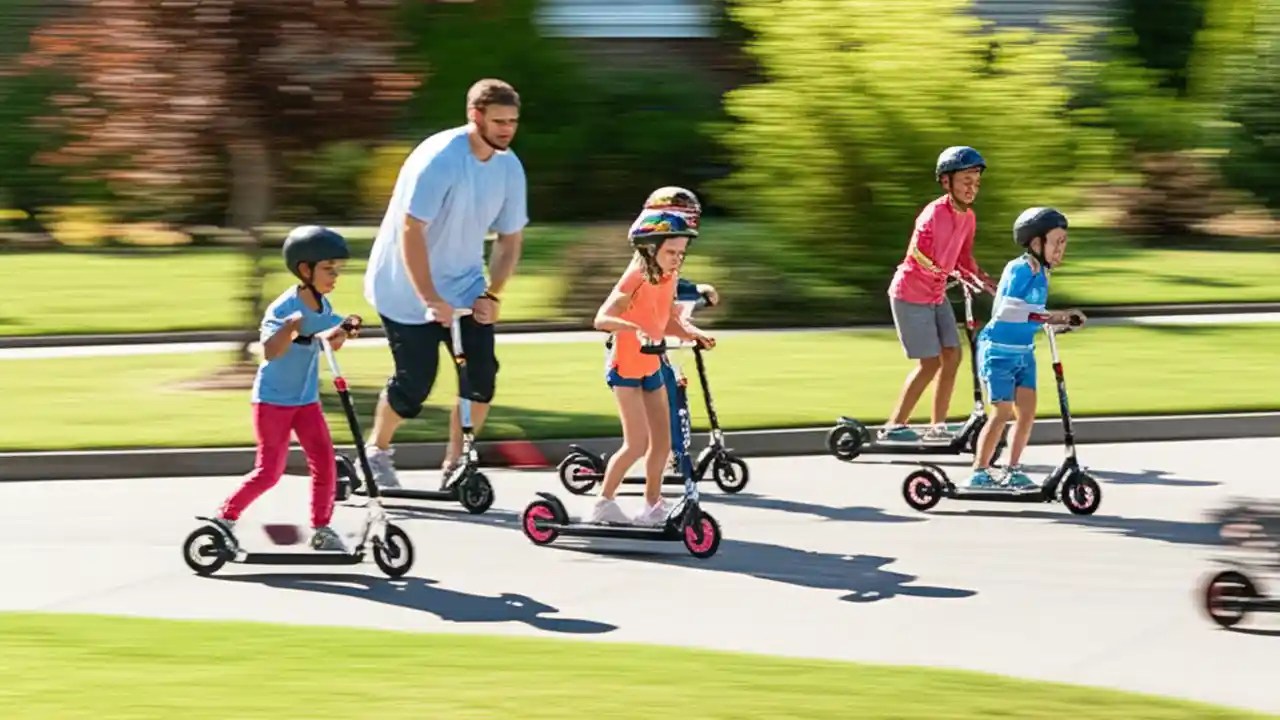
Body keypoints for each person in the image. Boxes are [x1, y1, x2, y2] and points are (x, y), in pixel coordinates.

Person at [362, 78, 528, 489]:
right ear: (475, 116)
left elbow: (510, 239)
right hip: (403, 285)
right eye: (498, 121)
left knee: (481, 376)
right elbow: (411, 230)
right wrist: (430, 298)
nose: (507, 129)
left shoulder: (509, 167)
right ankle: (377, 452)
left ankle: (456, 464)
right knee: (415, 383)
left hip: (465, 284)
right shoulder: (440, 159)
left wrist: (492, 294)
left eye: (512, 121)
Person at [212, 226, 361, 554]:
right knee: (269, 472)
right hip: (273, 401)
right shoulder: (284, 308)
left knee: (324, 464)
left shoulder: (322, 304)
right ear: (304, 269)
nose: (334, 275)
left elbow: (329, 339)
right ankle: (224, 518)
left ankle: (321, 529)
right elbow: (270, 350)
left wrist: (346, 328)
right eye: (327, 268)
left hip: (306, 401)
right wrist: (292, 327)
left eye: (336, 269)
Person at [590, 209, 715, 525]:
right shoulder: (635, 279)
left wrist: (692, 332)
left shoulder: (669, 278)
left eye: (681, 253)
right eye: (671, 252)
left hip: (652, 367)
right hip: (625, 370)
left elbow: (668, 320)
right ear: (650, 249)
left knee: (662, 442)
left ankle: (651, 506)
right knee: (636, 444)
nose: (677, 258)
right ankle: (603, 503)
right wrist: (634, 329)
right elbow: (601, 319)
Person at [881, 146, 997, 443]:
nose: (972, 188)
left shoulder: (968, 217)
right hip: (910, 293)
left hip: (936, 295)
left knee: (953, 355)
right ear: (946, 182)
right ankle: (894, 426)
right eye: (966, 181)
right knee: (930, 362)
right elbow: (918, 252)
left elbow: (964, 259)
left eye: (976, 182)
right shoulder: (933, 214)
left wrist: (986, 283)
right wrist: (941, 270)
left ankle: (938, 427)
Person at [967, 207, 1086, 488]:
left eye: (1064, 242)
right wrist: (1054, 316)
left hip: (1023, 352)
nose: (1061, 249)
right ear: (1036, 243)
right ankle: (979, 472)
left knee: (1027, 413)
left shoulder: (1043, 273)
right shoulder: (1019, 268)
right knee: (1002, 412)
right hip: (998, 351)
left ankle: (1012, 468)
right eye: (1057, 241)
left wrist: (1061, 324)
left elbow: (1034, 313)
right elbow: (1009, 311)